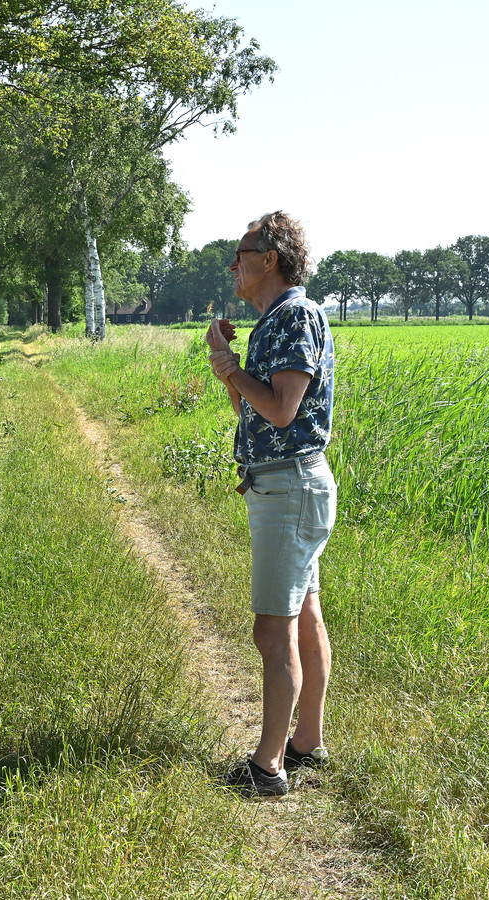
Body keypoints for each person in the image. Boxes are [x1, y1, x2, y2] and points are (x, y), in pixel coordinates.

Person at [204, 211, 337, 796]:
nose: (234, 263)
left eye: (243, 251)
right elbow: (255, 414)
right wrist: (227, 371)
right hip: (283, 483)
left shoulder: (294, 316)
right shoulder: (275, 322)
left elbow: (283, 410)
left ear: (270, 259)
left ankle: (267, 767)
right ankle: (305, 741)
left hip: (290, 488)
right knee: (303, 615)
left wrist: (233, 366)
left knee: (272, 628)